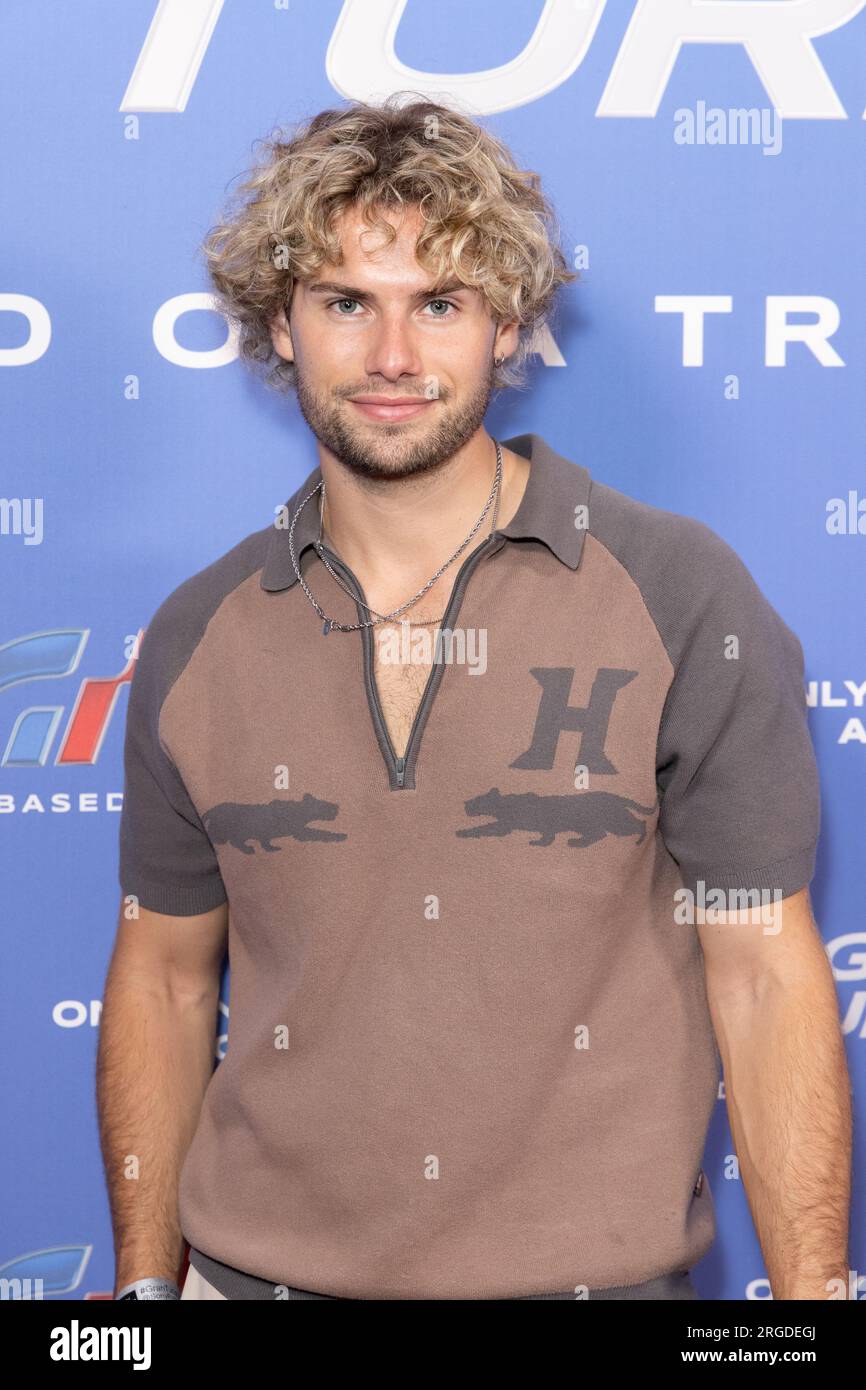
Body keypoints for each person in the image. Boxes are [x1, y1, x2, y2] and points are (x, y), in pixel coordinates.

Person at [97, 96, 851, 1302]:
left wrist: (809, 1310)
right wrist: (143, 1290)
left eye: (437, 304)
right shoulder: (199, 633)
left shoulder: (676, 592)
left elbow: (763, 973)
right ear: (278, 327)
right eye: (346, 302)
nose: (392, 358)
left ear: (506, 326)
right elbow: (166, 976)